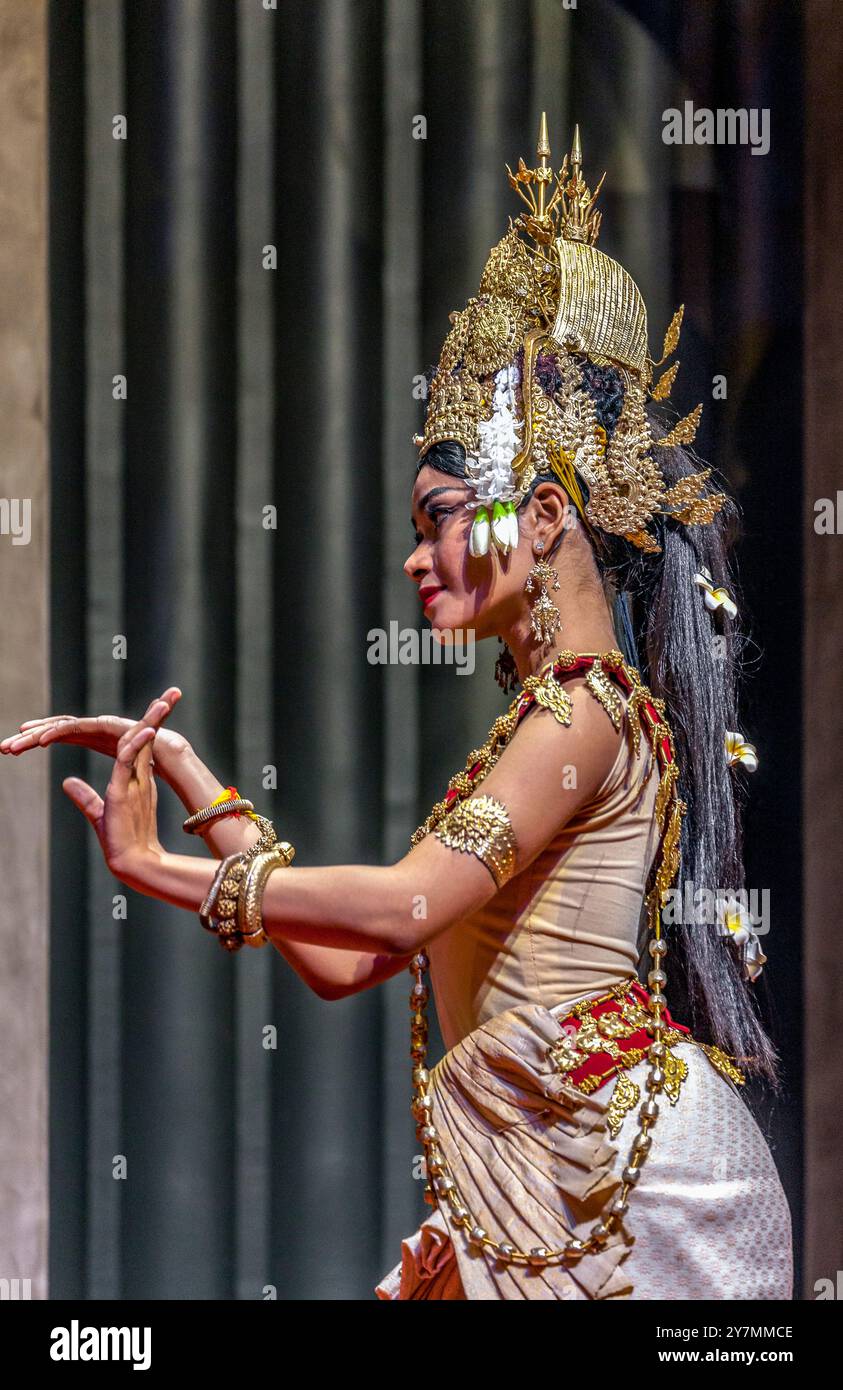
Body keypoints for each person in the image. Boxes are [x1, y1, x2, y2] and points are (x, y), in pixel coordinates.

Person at [2, 117, 793, 1301]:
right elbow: (340, 959)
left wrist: (159, 870)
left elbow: (401, 907)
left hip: (631, 1194)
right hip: (554, 1185)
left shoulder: (585, 716)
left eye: (439, 515)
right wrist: (196, 781)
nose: (418, 559)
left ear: (537, 515)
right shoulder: (540, 728)